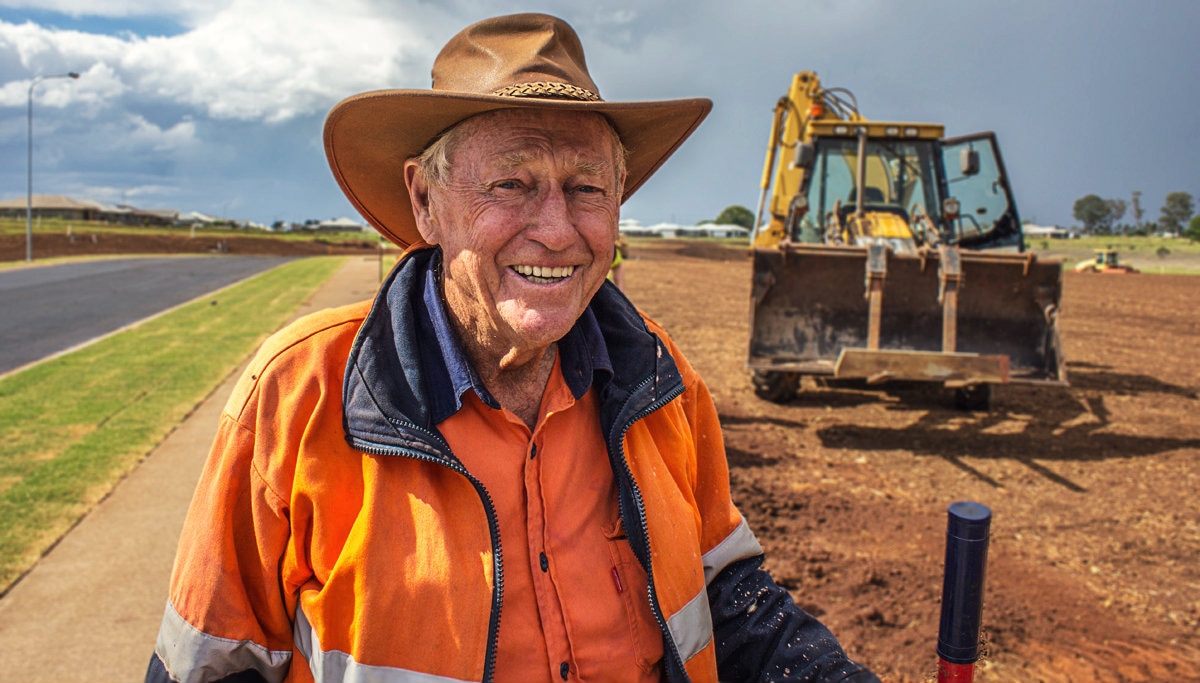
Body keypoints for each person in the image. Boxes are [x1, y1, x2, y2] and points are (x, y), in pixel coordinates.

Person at [146, 13, 880, 683]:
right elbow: (209, 668)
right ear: (425, 202)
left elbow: (730, 595)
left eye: (587, 188)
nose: (557, 229)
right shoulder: (296, 396)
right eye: (512, 183)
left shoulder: (662, 381)